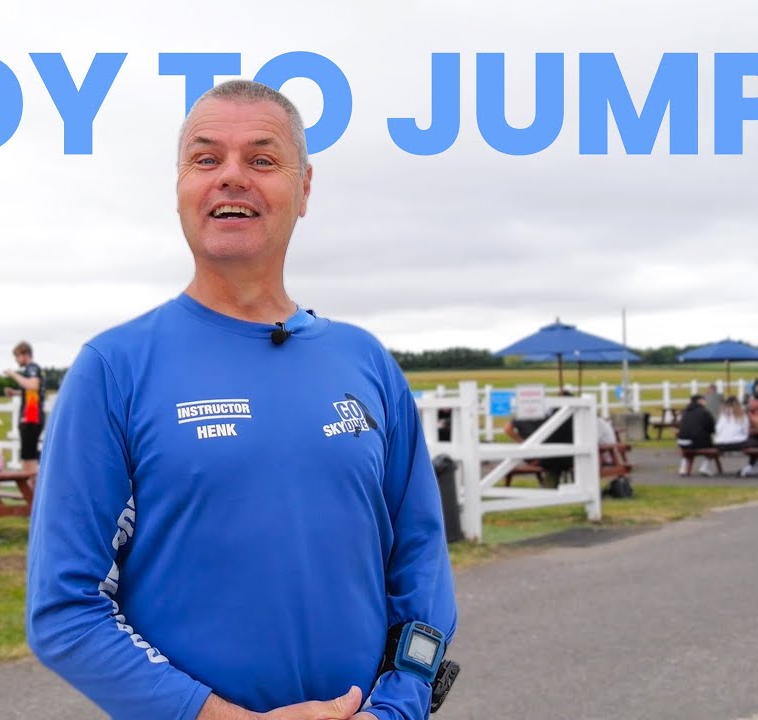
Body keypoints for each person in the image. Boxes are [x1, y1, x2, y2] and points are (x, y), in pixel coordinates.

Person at [26, 80, 456, 720]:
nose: (231, 177)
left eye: (261, 159)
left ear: (304, 188)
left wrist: (399, 704)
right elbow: (65, 609)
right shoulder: (113, 371)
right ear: (179, 187)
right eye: (206, 159)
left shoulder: (367, 364)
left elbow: (420, 564)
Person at [503, 389, 577, 488]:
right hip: (546, 454)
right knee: (556, 460)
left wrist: (522, 443)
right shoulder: (550, 416)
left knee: (555, 461)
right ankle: (550, 486)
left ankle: (549, 486)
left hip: (544, 454)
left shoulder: (546, 415)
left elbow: (508, 428)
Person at [3, 341, 44, 476]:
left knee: (29, 458)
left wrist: (13, 374)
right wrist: (15, 393)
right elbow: (32, 392)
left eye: (17, 356)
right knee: (28, 455)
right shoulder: (30, 370)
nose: (16, 359)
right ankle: (31, 491)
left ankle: (31, 493)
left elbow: (33, 386)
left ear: (25, 354)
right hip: (30, 417)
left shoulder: (32, 368)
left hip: (31, 418)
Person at [714, 397, 758, 477]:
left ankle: (750, 468)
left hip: (720, 444)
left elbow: (717, 429)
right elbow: (746, 432)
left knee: (753, 443)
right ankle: (749, 467)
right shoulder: (742, 415)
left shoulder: (722, 416)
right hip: (737, 442)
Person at [675, 395, 717, 476]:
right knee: (714, 448)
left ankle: (683, 469)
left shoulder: (684, 412)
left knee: (687, 450)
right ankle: (704, 467)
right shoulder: (704, 412)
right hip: (696, 442)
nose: (705, 402)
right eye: (704, 400)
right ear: (699, 401)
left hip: (681, 442)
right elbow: (712, 427)